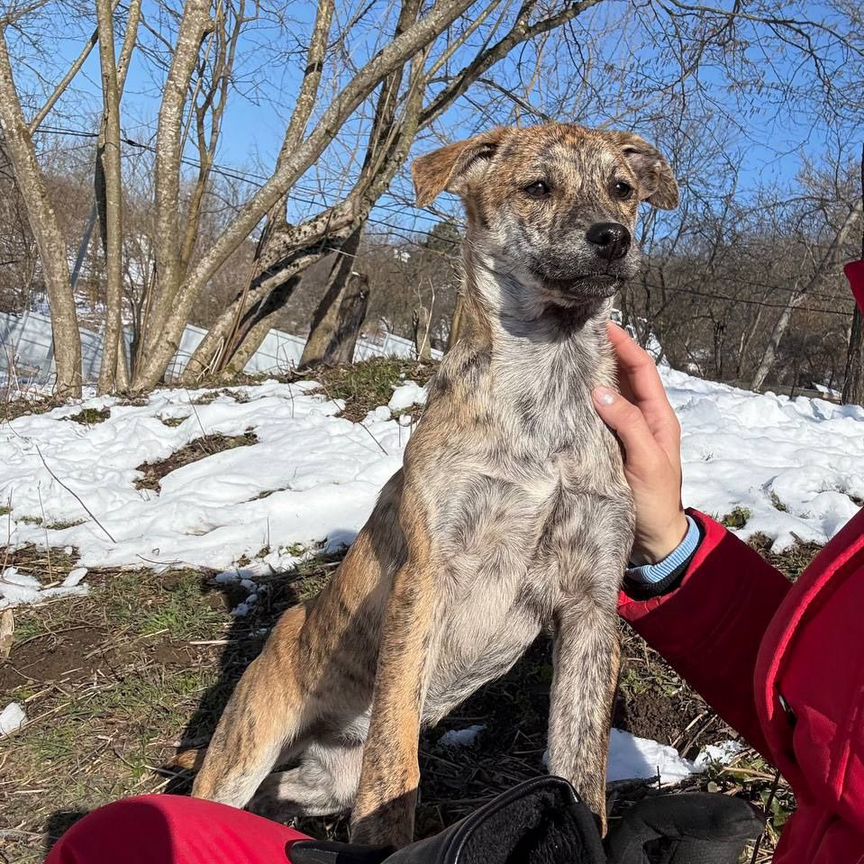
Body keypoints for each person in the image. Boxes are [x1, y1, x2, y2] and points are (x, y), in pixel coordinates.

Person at [46, 265, 864, 863]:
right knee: (131, 833)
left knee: (118, 846)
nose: (605, 220)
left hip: (403, 739)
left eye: (623, 195)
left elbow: (589, 628)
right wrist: (673, 545)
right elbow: (825, 688)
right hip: (332, 690)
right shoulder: (456, 431)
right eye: (541, 191)